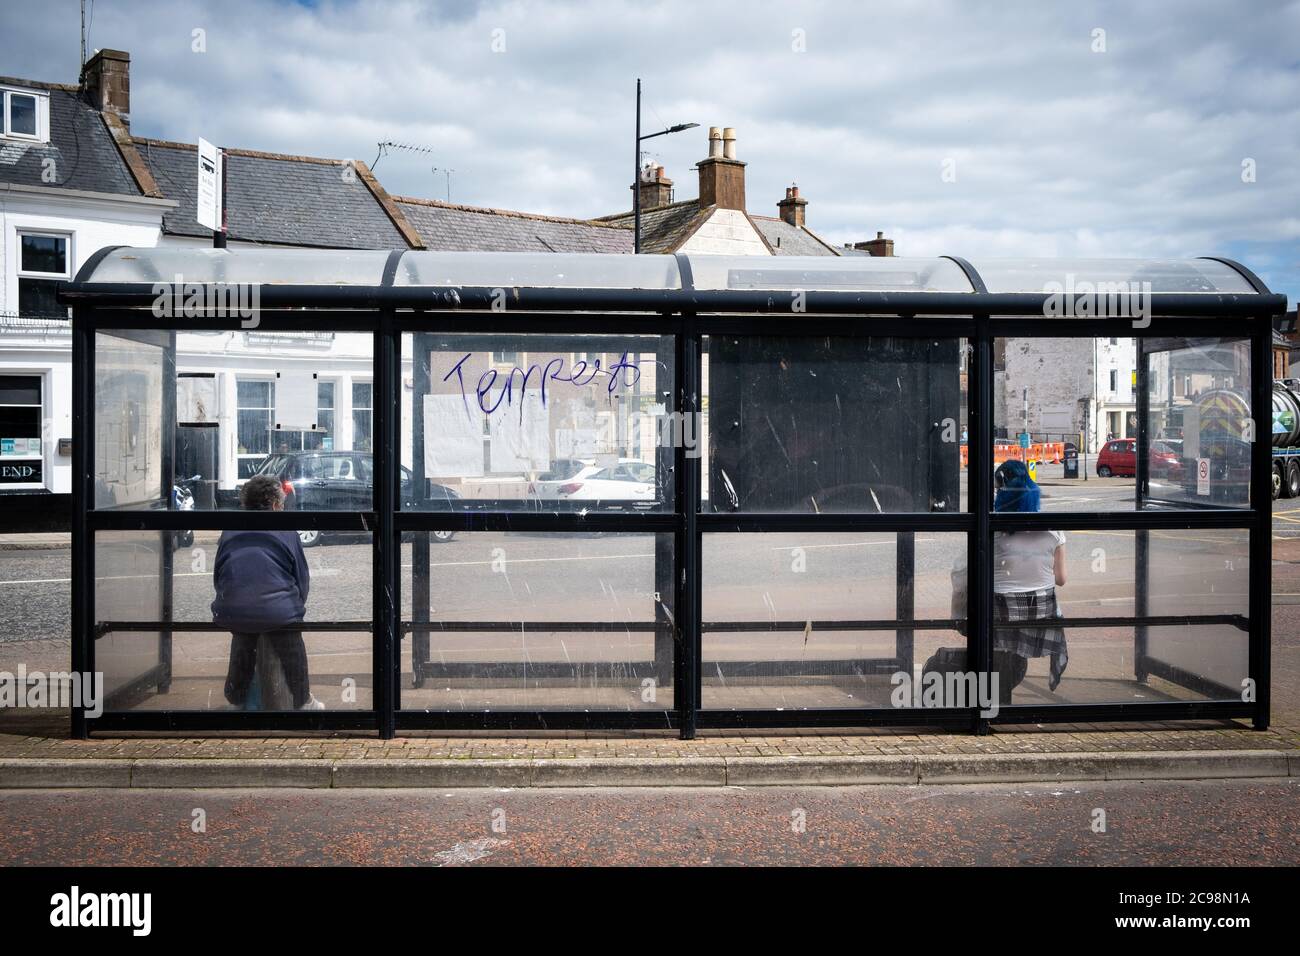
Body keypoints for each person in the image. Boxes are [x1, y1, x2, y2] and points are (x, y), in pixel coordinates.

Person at [212, 474, 324, 710]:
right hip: (279, 612)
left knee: (243, 640)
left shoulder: (230, 529)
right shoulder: (286, 529)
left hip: (234, 610)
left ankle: (236, 700)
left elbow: (219, 573)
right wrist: (295, 610)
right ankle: (303, 700)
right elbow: (301, 577)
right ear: (275, 505)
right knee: (292, 649)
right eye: (282, 505)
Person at [991, 460, 1068, 703]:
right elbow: (1061, 579)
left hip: (1002, 611)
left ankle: (997, 693)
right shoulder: (1054, 531)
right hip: (1041, 612)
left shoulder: (996, 530)